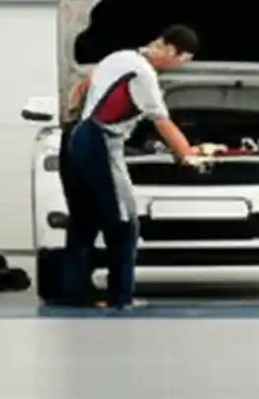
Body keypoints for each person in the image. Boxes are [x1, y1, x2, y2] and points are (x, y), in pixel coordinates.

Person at [58, 24, 206, 310]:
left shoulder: (118, 58)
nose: (177, 66)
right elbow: (161, 121)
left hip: (78, 137)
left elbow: (81, 87)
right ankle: (121, 298)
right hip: (101, 141)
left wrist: (74, 114)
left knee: (83, 221)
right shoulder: (143, 73)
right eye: (181, 60)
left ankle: (73, 295)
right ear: (171, 50)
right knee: (125, 224)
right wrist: (188, 154)